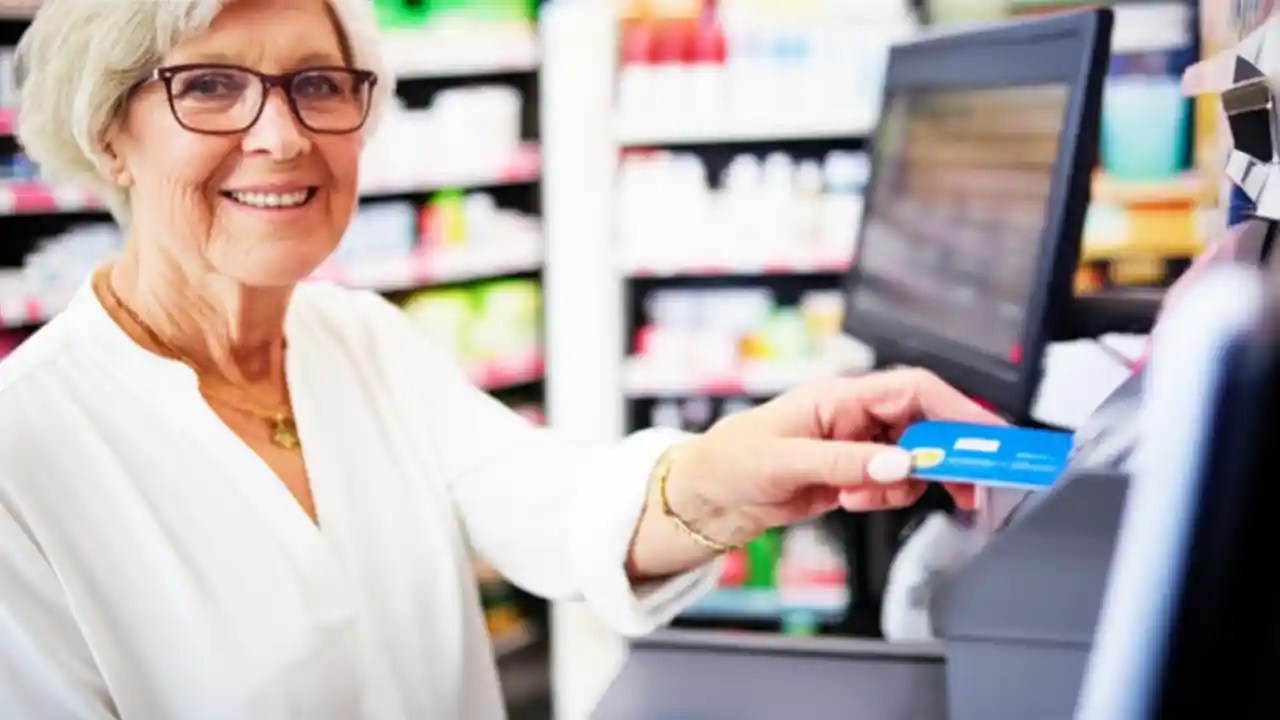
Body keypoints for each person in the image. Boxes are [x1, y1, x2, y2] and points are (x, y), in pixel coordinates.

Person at [0, 0, 997, 717]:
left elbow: (560, 510)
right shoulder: (24, 453)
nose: (282, 135)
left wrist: (732, 471)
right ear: (109, 136)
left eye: (316, 84)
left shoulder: (359, 339)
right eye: (209, 87)